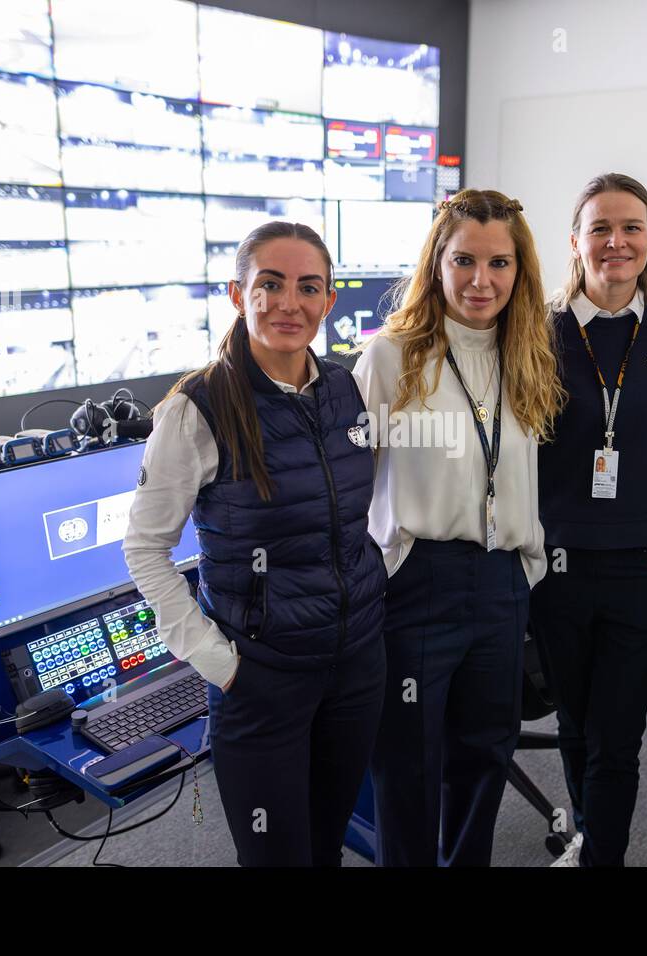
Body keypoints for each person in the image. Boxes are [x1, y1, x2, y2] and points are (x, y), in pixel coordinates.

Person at [123, 221, 387, 867]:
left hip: (355, 666)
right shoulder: (197, 408)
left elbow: (356, 517)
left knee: (325, 846)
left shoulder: (347, 390)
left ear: (328, 301)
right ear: (240, 294)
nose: (289, 303)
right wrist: (219, 663)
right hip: (261, 679)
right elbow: (144, 548)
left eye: (308, 286)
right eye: (270, 284)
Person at [352, 189, 563, 866]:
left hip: (502, 579)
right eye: (464, 260)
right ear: (436, 263)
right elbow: (354, 480)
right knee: (408, 762)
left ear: (519, 271)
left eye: (499, 263)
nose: (482, 280)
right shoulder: (392, 357)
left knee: (484, 754)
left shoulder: (528, 352)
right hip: (419, 580)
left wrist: (523, 569)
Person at [529, 173, 647, 867]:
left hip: (644, 563)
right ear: (576, 241)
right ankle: (587, 841)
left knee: (619, 737)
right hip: (557, 562)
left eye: (631, 227)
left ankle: (604, 857)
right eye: (600, 227)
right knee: (574, 723)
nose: (616, 241)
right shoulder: (537, 327)